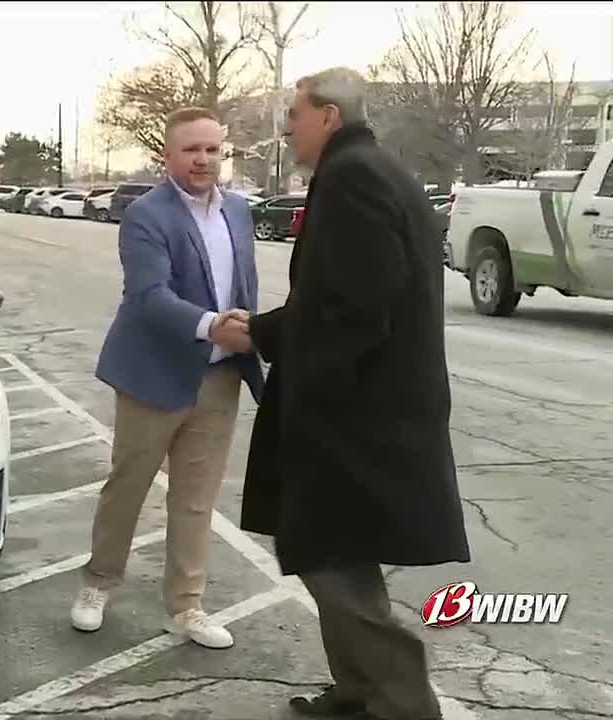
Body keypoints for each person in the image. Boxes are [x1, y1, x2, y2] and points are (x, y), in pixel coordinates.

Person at [236, 67, 469, 720]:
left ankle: (402, 703)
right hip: (367, 410)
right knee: (337, 552)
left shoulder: (353, 178)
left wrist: (302, 383)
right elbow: (340, 295)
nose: (287, 126)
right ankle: (360, 692)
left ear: (329, 116)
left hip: (355, 417)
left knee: (328, 556)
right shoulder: (372, 170)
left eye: (294, 113)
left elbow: (357, 308)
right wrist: (260, 331)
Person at [70, 107, 264, 648]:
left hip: (219, 379)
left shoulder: (241, 212)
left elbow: (241, 287)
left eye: (211, 149)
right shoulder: (147, 215)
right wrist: (212, 327)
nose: (202, 160)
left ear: (222, 153)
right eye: (190, 150)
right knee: (128, 486)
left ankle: (187, 606)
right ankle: (98, 583)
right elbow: (149, 296)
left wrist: (248, 332)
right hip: (153, 374)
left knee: (196, 498)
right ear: (168, 156)